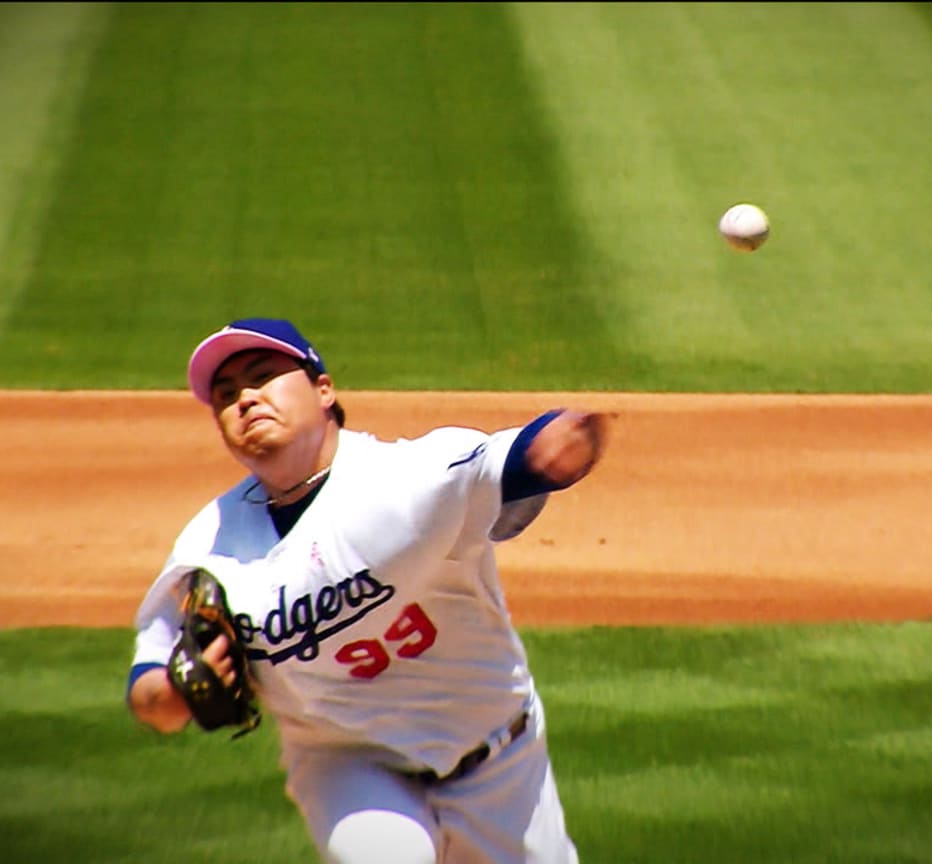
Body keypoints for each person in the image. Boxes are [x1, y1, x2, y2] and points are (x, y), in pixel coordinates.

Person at [125, 317, 607, 864]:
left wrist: (565, 441)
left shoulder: (407, 481)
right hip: (345, 764)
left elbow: (519, 456)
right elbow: (152, 700)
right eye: (226, 395)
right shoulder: (207, 549)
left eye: (263, 377)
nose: (245, 399)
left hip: (500, 759)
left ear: (323, 390)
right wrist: (173, 692)